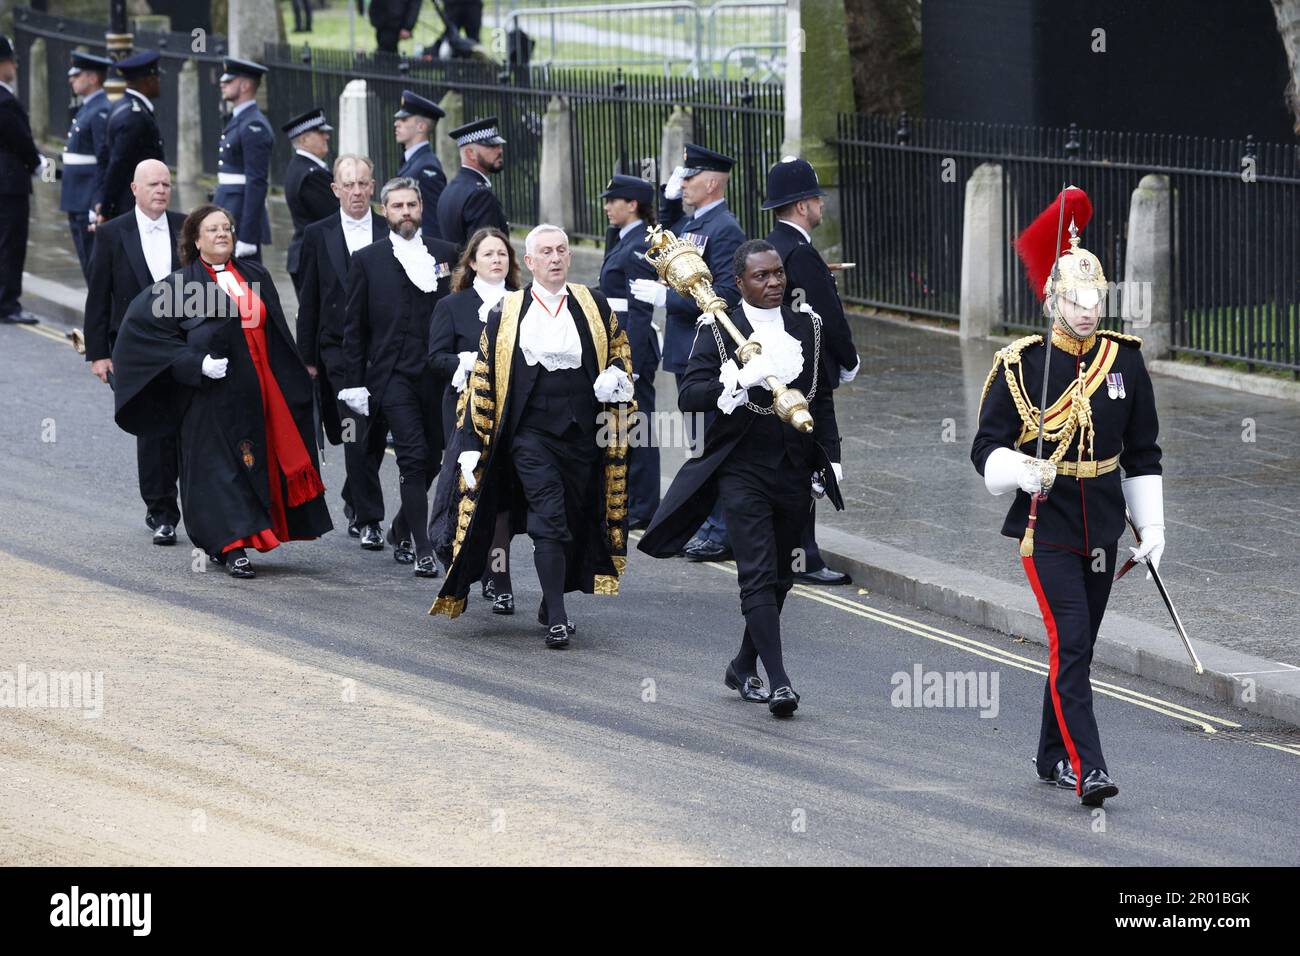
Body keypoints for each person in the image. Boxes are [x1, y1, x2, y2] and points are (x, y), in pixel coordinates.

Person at [971, 186, 1164, 807]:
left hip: (1104, 528)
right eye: (1074, 300)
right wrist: (1019, 470)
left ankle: (1051, 754)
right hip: (1044, 526)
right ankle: (1090, 768)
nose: (1086, 312)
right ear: (1053, 298)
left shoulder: (1123, 362)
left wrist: (1152, 528)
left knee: (1073, 647)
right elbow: (985, 449)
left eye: (1094, 300)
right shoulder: (1020, 364)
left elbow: (1142, 453)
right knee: (1072, 641)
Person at [638, 240, 844, 717]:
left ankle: (742, 664)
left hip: (795, 469)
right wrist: (735, 382)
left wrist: (830, 459)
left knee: (781, 577)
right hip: (742, 469)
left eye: (777, 274)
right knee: (756, 572)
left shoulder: (807, 325)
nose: (774, 283)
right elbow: (690, 395)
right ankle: (780, 682)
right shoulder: (718, 328)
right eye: (761, 277)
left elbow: (823, 396)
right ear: (739, 283)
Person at [430, 224, 635, 649]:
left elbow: (620, 351)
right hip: (530, 435)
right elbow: (483, 381)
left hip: (582, 435)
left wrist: (616, 375)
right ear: (530, 262)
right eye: (546, 251)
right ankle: (558, 618)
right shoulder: (506, 312)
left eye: (562, 250)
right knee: (549, 519)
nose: (556, 257)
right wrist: (470, 443)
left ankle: (550, 599)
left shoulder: (592, 304)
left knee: (576, 518)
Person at [111, 204, 332, 578]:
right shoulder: (182, 286)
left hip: (261, 389)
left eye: (227, 228)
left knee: (259, 461)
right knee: (219, 470)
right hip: (210, 397)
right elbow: (143, 336)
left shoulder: (255, 275)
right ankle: (231, 546)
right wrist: (194, 364)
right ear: (195, 240)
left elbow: (277, 333)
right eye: (212, 229)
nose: (222, 234)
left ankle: (257, 530)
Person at [338, 177, 459, 577]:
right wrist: (353, 382)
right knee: (411, 456)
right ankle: (420, 546)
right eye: (397, 206)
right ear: (384, 211)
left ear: (421, 208)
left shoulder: (446, 255)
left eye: (411, 205)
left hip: (438, 376)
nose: (405, 212)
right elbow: (353, 329)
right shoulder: (367, 260)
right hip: (391, 377)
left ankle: (400, 527)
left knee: (435, 457)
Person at [634, 143, 746, 561]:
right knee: (699, 443)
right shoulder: (697, 221)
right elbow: (669, 234)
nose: (683, 185)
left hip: (708, 352)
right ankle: (707, 523)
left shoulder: (725, 228)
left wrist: (667, 300)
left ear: (712, 182)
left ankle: (720, 530)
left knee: (710, 443)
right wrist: (668, 196)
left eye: (690, 177)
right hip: (687, 351)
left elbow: (726, 294)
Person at [762, 156, 859, 586]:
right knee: (811, 461)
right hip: (806, 375)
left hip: (772, 372)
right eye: (817, 198)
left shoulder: (771, 246)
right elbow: (828, 318)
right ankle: (806, 557)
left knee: (788, 462)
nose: (822, 206)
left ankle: (784, 550)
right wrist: (850, 362)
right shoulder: (800, 253)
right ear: (803, 205)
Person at [84, 159, 185, 544]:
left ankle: (202, 510)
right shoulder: (111, 234)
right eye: (154, 185)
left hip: (183, 346)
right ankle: (161, 513)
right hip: (134, 352)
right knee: (153, 429)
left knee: (189, 429)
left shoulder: (186, 225)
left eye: (166, 184)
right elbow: (98, 297)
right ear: (135, 189)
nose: (161, 190)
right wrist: (98, 354)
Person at [296, 154, 391, 550]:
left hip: (383, 350)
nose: (356, 191)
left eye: (363, 183)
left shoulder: (389, 231)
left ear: (373, 187)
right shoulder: (318, 235)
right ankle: (370, 519)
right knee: (353, 431)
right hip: (337, 351)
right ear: (335, 189)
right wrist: (307, 361)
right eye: (348, 184)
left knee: (376, 433)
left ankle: (356, 498)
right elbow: (309, 299)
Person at [427, 226, 520, 613]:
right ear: (472, 262)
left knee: (501, 499)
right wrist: (463, 361)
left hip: (512, 413)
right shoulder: (452, 306)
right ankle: (467, 566)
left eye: (502, 254)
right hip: (466, 411)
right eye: (489, 255)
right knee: (470, 492)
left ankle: (499, 581)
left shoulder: (522, 302)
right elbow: (434, 358)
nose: (497, 260)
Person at [597, 174, 660, 529]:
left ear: (632, 204)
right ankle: (630, 498)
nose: (607, 206)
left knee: (641, 425)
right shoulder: (623, 238)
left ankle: (644, 505)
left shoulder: (638, 245)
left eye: (613, 200)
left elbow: (640, 308)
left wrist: (629, 360)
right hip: (618, 341)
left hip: (632, 346)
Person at [0, 34, 43, 325]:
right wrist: (39, 166)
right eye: (11, 60)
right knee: (11, 244)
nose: (14, 66)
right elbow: (22, 142)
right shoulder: (4, 100)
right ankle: (7, 303)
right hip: (9, 183)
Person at [213, 57, 272, 263]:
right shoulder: (240, 120)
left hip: (239, 216)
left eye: (229, 80)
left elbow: (256, 183)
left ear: (245, 85)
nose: (223, 83)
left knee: (244, 289)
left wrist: (247, 236)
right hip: (228, 209)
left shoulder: (254, 125)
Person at [60, 51, 112, 281]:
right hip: (76, 196)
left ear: (92, 78)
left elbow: (105, 158)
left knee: (94, 265)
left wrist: (97, 201)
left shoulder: (100, 109)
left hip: (87, 197)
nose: (71, 80)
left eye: (77, 75)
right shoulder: (87, 107)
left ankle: (101, 315)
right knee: (87, 262)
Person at [95, 50, 164, 224]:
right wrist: (105, 207)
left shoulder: (120, 105)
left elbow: (104, 157)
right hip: (131, 205)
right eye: (157, 78)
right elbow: (117, 163)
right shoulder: (136, 116)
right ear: (148, 81)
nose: (159, 82)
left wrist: (101, 199)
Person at [281, 107, 336, 293]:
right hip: (314, 258)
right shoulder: (312, 175)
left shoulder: (301, 167)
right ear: (304, 139)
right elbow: (335, 215)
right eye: (320, 133)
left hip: (308, 256)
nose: (326, 137)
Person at [436, 116, 508, 250]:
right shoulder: (480, 196)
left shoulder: (450, 190)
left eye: (499, 145)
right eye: (492, 146)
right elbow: (485, 252)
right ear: (470, 153)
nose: (500, 150)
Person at [394, 90, 447, 241]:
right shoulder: (412, 160)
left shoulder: (427, 168)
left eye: (404, 120)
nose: (396, 123)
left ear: (421, 127)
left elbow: (433, 223)